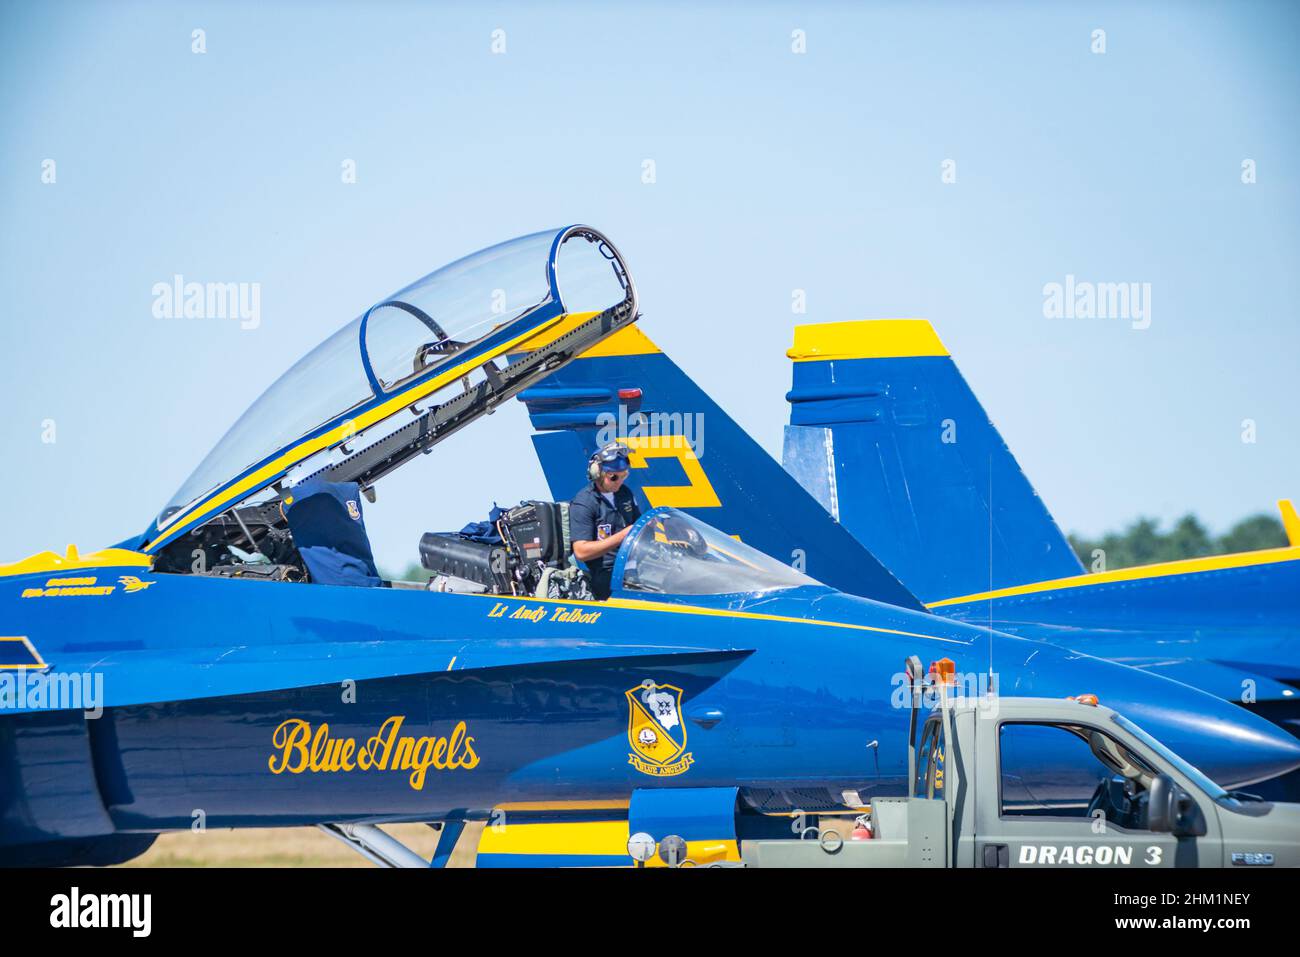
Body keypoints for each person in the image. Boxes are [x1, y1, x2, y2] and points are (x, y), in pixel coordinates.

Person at [569, 442, 641, 599]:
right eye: (614, 477)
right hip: (608, 574)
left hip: (634, 566)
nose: (620, 482)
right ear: (597, 473)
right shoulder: (584, 502)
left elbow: (640, 525)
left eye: (624, 476)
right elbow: (581, 551)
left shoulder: (624, 494)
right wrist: (622, 536)